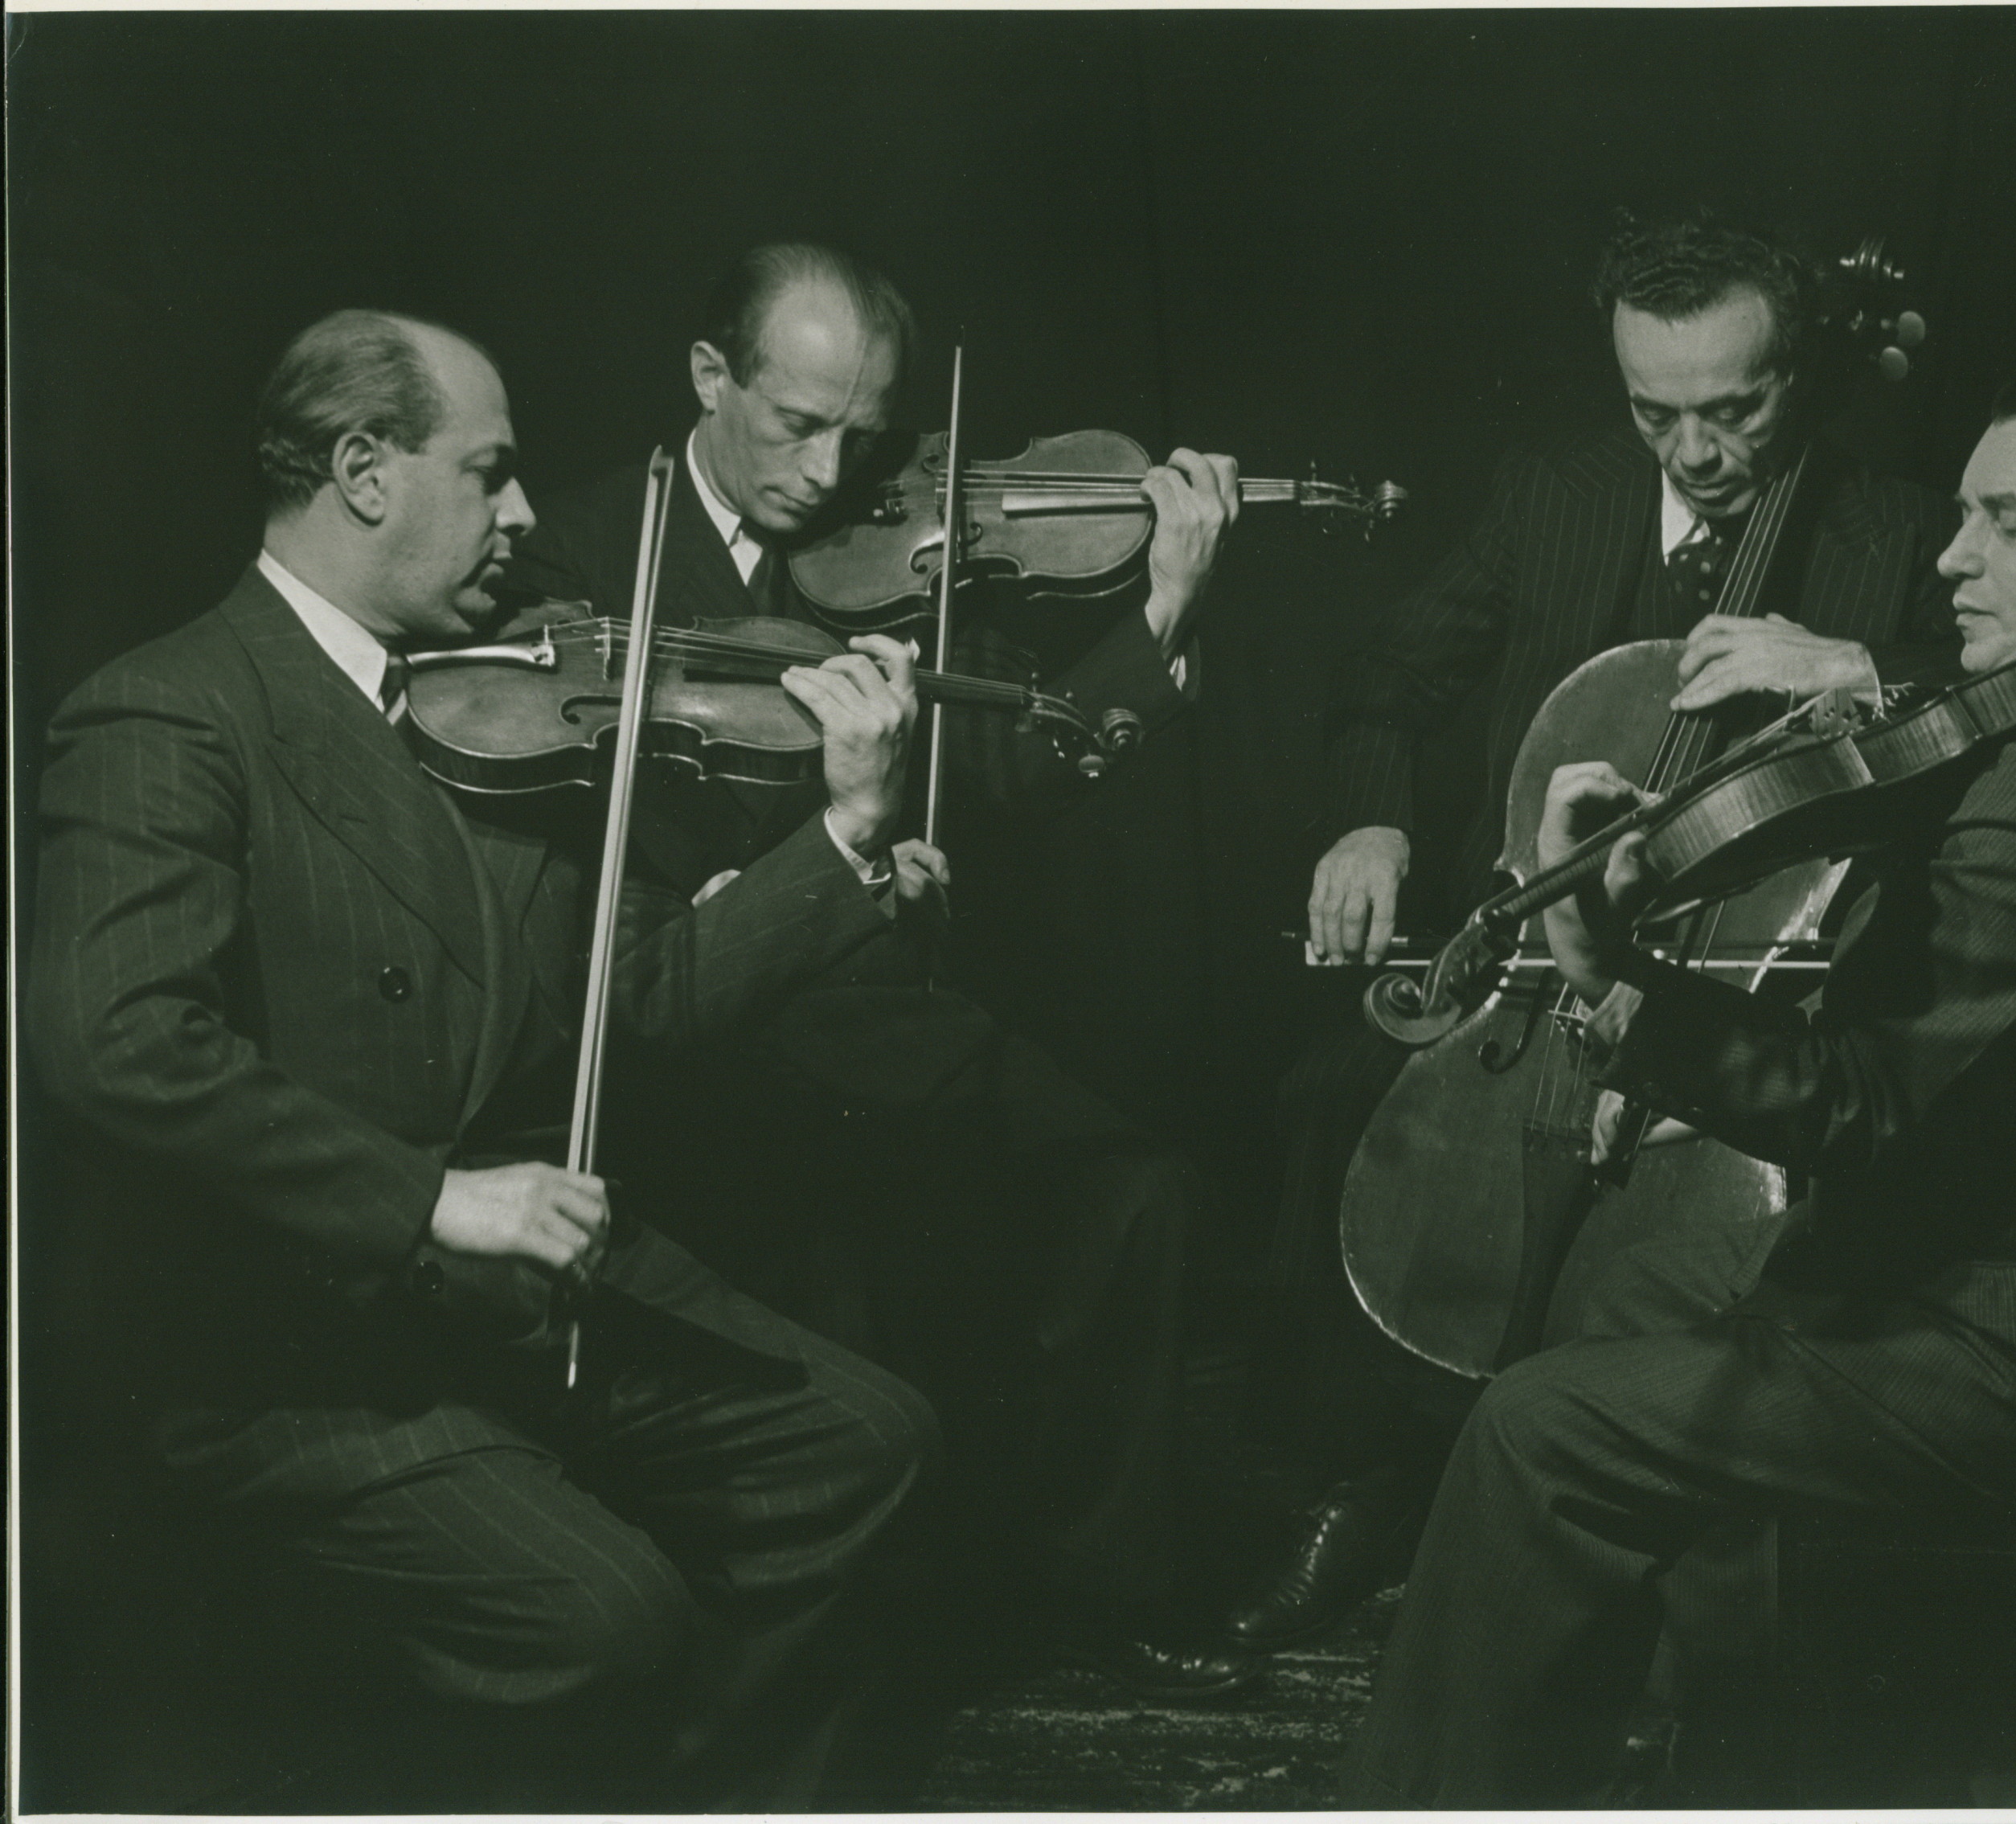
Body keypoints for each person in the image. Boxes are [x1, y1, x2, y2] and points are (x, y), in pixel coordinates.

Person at [29, 309, 941, 1810]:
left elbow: (635, 994)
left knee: (860, 1439)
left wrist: (841, 834)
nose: (527, 516)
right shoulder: (172, 708)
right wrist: (432, 1201)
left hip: (508, 1297)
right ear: (364, 469)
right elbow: (112, 1039)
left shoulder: (491, 705)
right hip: (295, 1340)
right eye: (493, 471)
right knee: (605, 1613)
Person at [1339, 353, 2016, 1805]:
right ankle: (1745, 1744)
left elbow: (1868, 1112)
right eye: (1958, 515)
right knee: (1646, 1290)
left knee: (1537, 1426)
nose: (1954, 558)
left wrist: (1617, 983)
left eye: (2009, 524)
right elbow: (2000, 733)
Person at [499, 241, 1260, 1695]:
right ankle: (882, 1621)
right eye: (799, 423)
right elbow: (549, 808)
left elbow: (1002, 757)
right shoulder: (570, 549)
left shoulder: (881, 549)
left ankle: (1105, 1588)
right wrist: (778, 870)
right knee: (846, 1248)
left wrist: (1160, 610)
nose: (838, 468)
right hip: (686, 1019)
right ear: (709, 378)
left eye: (870, 431)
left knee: (1132, 1191)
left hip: (859, 1002)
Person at [1235, 209, 1963, 1659]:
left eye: (1733, 409)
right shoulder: (1549, 495)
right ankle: (1364, 1486)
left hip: (1744, 979)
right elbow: (1385, 677)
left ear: (1803, 374)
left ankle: (1621, 1527)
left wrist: (1859, 666)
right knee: (1327, 1103)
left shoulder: (1890, 533)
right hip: (1519, 955)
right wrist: (1369, 820)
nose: (1693, 454)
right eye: (1655, 413)